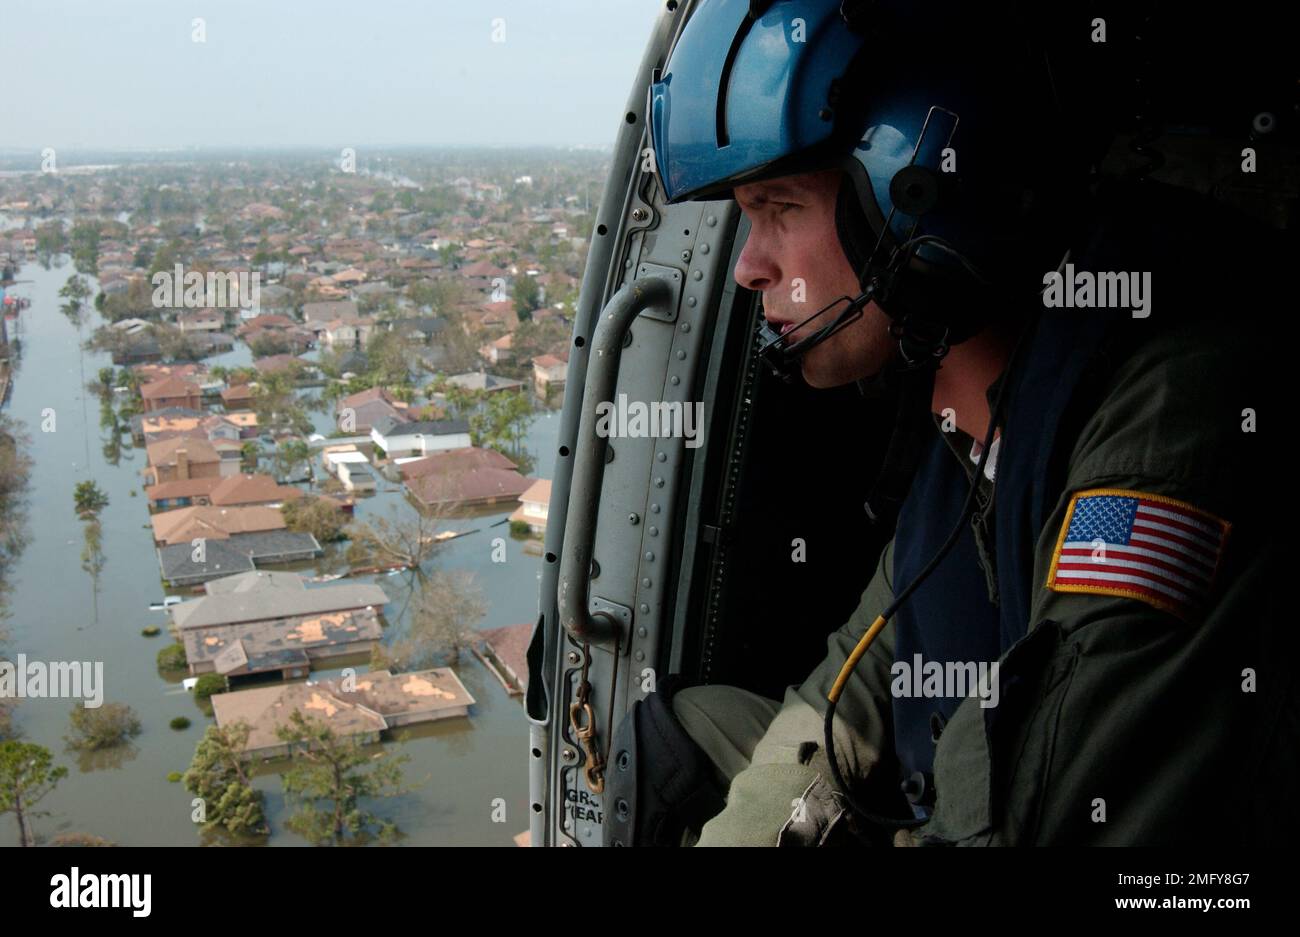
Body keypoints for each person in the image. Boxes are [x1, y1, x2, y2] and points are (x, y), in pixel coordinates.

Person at [631, 0, 1289, 846]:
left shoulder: (1173, 411)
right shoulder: (962, 418)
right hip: (956, 796)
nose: (750, 268)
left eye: (780, 209)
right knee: (678, 729)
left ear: (916, 188)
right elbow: (859, 679)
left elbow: (1047, 809)